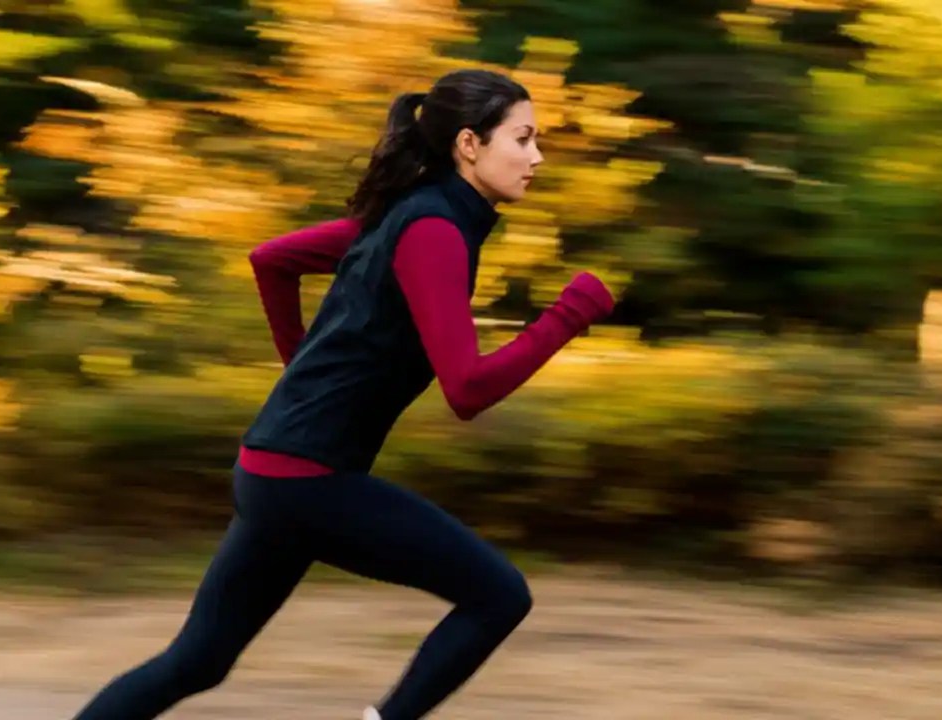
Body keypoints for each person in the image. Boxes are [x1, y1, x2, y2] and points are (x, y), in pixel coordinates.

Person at [72, 69, 615, 720]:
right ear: (469, 144)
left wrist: (297, 365)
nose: (537, 157)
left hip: (270, 470)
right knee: (499, 596)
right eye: (523, 139)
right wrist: (568, 315)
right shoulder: (433, 231)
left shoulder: (406, 217)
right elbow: (466, 389)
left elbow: (271, 258)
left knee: (198, 661)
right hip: (307, 482)